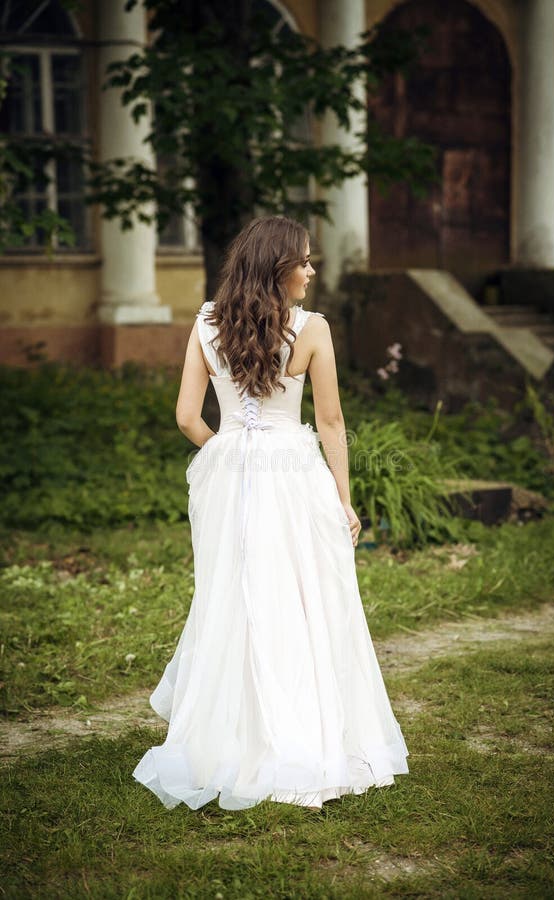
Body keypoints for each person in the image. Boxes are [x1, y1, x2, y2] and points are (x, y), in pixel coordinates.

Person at [133, 216, 409, 811]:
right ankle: (304, 733)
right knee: (305, 595)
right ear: (278, 266)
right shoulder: (311, 329)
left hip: (230, 473)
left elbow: (186, 416)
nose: (312, 271)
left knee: (231, 596)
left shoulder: (207, 323)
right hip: (295, 473)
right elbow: (331, 422)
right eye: (305, 261)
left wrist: (230, 451)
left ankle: (231, 734)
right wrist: (344, 497)